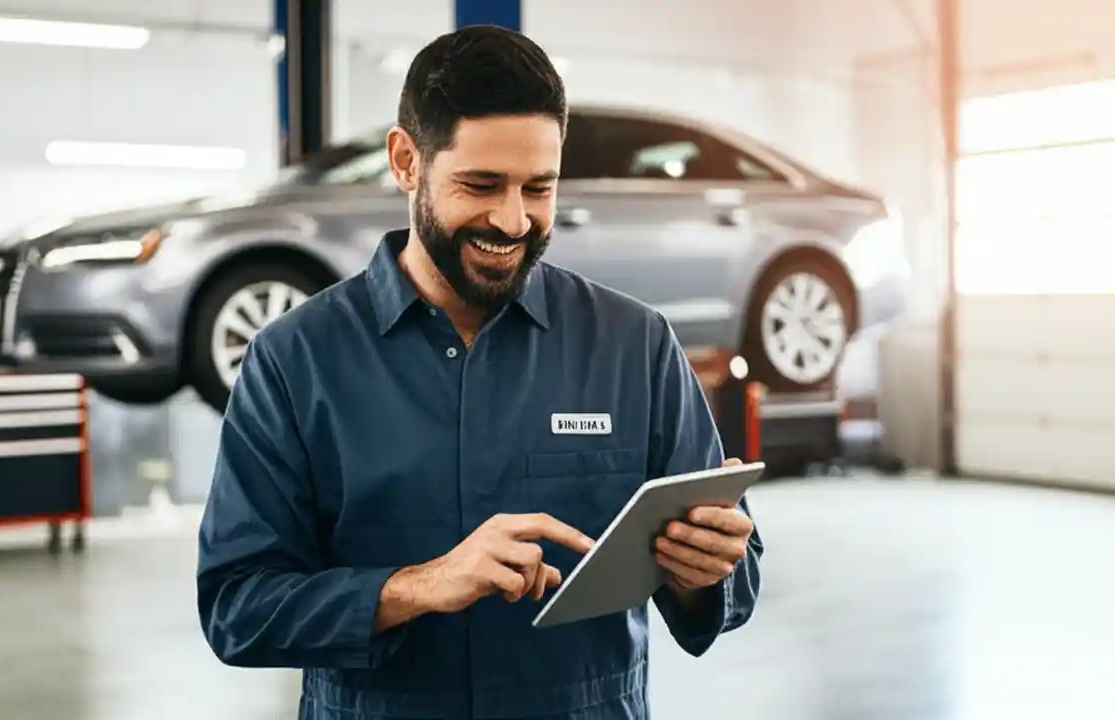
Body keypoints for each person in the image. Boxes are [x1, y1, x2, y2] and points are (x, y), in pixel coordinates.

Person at [197, 24, 763, 719]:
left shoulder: (633, 346)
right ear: (406, 162)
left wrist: (705, 569)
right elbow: (237, 608)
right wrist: (416, 587)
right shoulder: (295, 360)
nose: (514, 219)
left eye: (539, 187)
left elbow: (736, 581)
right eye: (481, 184)